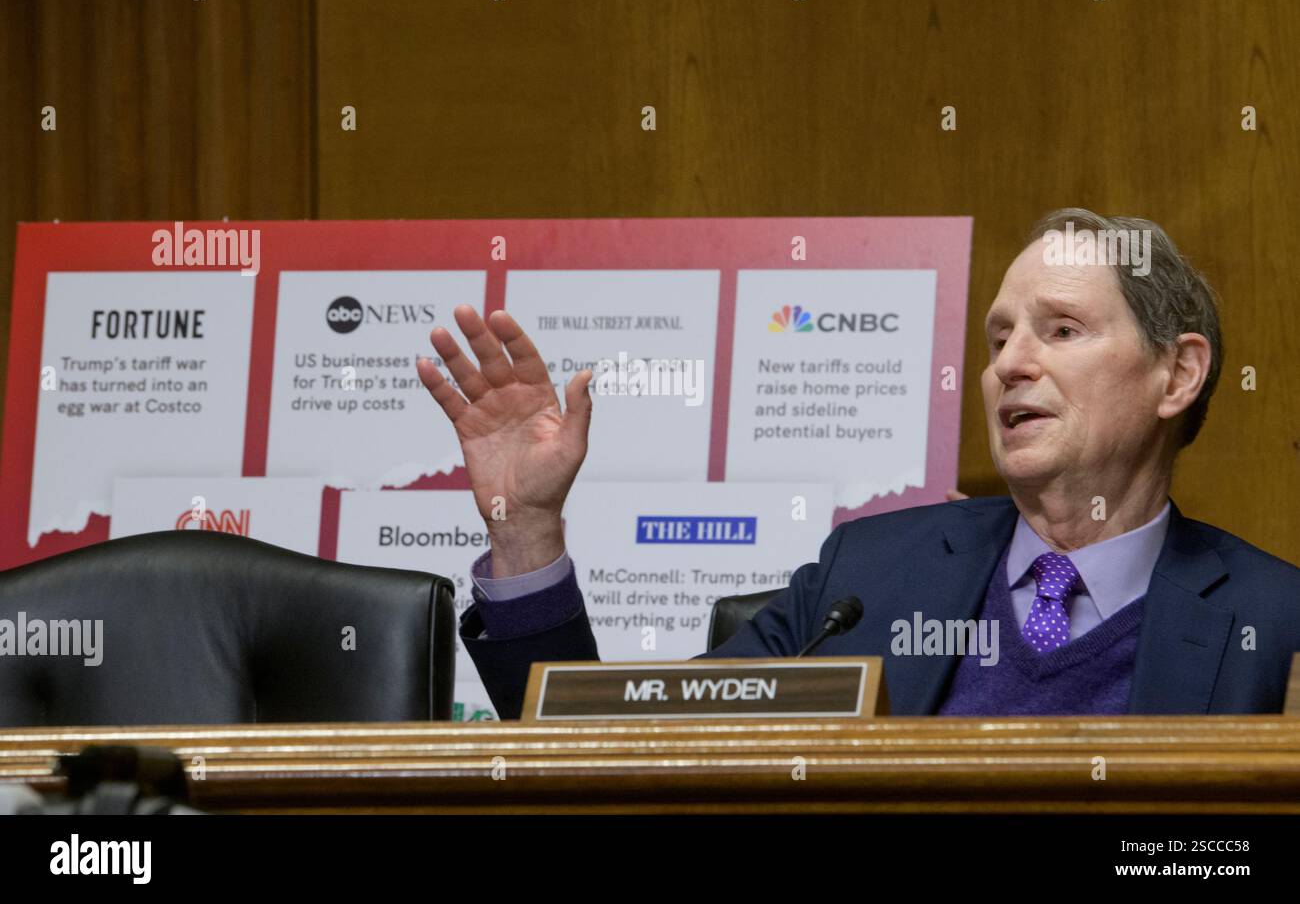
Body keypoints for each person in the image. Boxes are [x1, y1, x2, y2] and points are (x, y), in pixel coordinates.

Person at [415, 208, 1300, 719]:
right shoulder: (872, 574)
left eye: (1061, 330)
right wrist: (525, 527)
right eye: (999, 337)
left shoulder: (1274, 619)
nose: (1009, 365)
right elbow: (628, 741)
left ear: (1176, 374)